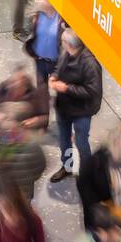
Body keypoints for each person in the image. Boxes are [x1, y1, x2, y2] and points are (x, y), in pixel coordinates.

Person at [48, 29, 102, 182]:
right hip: (64, 107)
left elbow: (93, 90)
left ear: (69, 44)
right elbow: (59, 66)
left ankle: (87, 173)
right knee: (64, 139)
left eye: (63, 41)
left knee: (81, 143)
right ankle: (67, 167)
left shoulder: (90, 64)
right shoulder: (66, 53)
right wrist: (54, 76)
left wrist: (65, 88)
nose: (61, 43)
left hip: (81, 111)